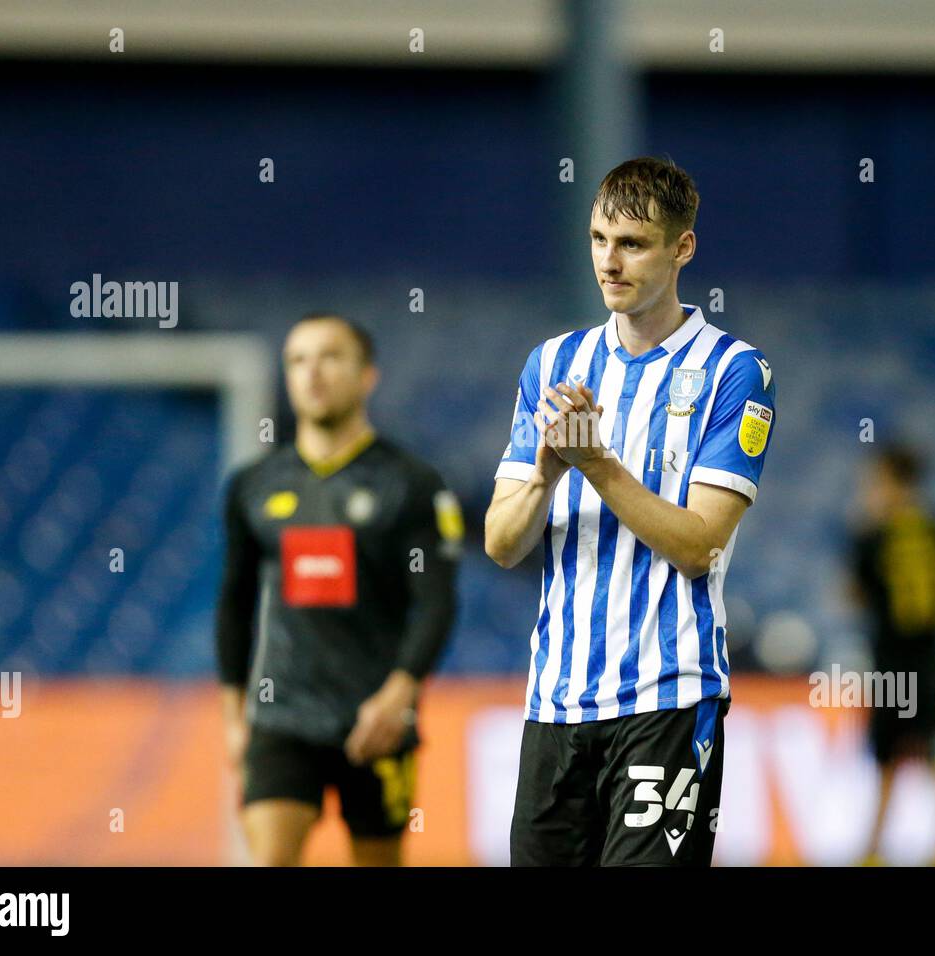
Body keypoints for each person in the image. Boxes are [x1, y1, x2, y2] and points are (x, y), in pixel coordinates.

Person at [485, 157, 777, 866]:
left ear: (683, 248)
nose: (608, 263)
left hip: (667, 694)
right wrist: (547, 477)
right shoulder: (554, 363)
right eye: (597, 239)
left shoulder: (735, 370)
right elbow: (500, 542)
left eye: (632, 244)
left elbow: (700, 544)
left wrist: (599, 466)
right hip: (554, 702)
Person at [215, 313, 462, 866]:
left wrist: (398, 697)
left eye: (330, 357)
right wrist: (234, 717)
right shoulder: (254, 486)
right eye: (298, 360)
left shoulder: (411, 484)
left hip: (374, 719)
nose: (313, 373)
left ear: (367, 375)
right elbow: (233, 603)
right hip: (282, 718)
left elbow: (436, 601)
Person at [848, 445, 935, 866]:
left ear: (892, 482)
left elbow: (855, 596)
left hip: (891, 661)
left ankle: (874, 849)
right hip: (931, 659)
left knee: (886, 754)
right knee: (930, 750)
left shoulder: (872, 536)